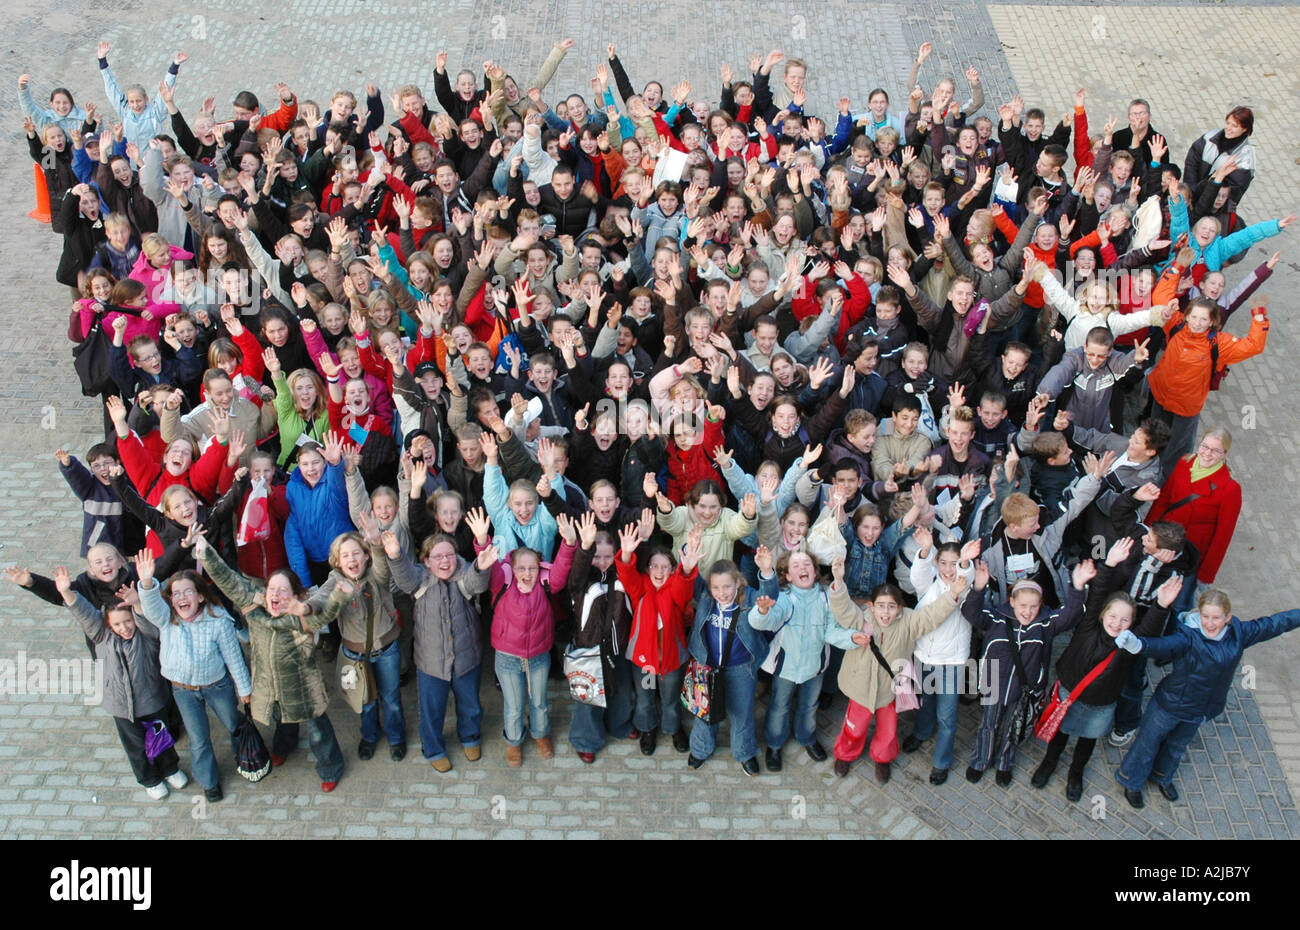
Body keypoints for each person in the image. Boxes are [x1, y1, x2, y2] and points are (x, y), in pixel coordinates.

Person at [1114, 590, 1300, 808]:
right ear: (1199, 614)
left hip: (1200, 708)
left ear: (1228, 617)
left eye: (1216, 618)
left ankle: (1161, 776)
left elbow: (1274, 624)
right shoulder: (1187, 636)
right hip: (1169, 705)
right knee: (1147, 743)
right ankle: (1132, 782)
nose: (1210, 623)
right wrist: (1139, 645)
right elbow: (1164, 645)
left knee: (1176, 746)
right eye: (1205, 616)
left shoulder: (1240, 633)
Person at [194, 531, 344, 792]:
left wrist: (341, 594)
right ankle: (285, 746)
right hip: (269, 685)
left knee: (319, 731)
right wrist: (205, 552)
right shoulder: (254, 608)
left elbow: (327, 612)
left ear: (296, 596)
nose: (276, 594)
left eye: (283, 590)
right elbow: (227, 579)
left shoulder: (303, 615)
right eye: (272, 589)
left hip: (303, 689)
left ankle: (331, 767)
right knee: (281, 720)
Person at [1032, 539, 1180, 802]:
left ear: (1132, 624)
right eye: (1113, 617)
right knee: (1061, 732)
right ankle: (1049, 763)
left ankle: (1076, 773)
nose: (1117, 623)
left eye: (1125, 620)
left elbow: (1150, 630)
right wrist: (1109, 564)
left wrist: (1160, 607)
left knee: (1087, 741)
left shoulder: (1130, 643)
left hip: (1100, 704)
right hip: (1070, 692)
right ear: (1102, 615)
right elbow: (1099, 591)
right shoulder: (1089, 624)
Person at [53, 565, 187, 800]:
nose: (123, 628)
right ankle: (149, 779)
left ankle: (170, 768)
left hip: (152, 699)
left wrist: (136, 603)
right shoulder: (101, 635)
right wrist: (67, 593)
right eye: (117, 624)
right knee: (135, 746)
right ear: (108, 625)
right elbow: (84, 612)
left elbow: (146, 619)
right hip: (120, 704)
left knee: (161, 738)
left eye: (127, 622)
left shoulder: (146, 634)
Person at [135, 548, 252, 803]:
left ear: (200, 597)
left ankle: (244, 756)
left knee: (234, 724)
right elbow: (152, 606)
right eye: (176, 594)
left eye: (188, 591)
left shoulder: (219, 620)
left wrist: (245, 690)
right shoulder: (167, 618)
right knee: (199, 739)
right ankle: (209, 782)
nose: (181, 598)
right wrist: (146, 582)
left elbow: (234, 658)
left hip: (217, 686)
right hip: (183, 691)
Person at [961, 558, 1092, 786]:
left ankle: (1004, 763)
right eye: (1022, 606)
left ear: (1041, 605)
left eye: (1033, 607)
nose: (1028, 612)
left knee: (1015, 727)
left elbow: (1072, 614)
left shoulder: (1046, 624)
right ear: (1011, 601)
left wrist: (1077, 587)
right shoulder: (996, 618)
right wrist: (978, 588)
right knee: (988, 725)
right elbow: (970, 611)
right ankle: (980, 760)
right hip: (995, 684)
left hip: (1026, 688)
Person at [382, 513, 494, 773]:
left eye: (449, 555)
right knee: (431, 710)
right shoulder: (420, 578)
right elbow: (404, 578)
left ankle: (471, 737)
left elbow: (477, 584)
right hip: (431, 662)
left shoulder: (465, 571)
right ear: (427, 561)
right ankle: (433, 748)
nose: (445, 561)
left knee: (470, 704)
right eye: (438, 557)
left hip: (467, 658)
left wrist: (482, 566)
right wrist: (396, 556)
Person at [750, 548, 862, 770]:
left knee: (809, 705)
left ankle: (807, 737)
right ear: (788, 576)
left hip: (815, 667)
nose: (803, 568)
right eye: (796, 565)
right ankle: (774, 744)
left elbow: (832, 632)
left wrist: (852, 638)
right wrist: (762, 612)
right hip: (786, 668)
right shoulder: (784, 598)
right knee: (779, 706)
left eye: (807, 564)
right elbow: (763, 622)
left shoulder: (825, 599)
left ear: (815, 571)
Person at [307, 515, 407, 762]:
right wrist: (305, 608)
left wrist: (375, 542)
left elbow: (383, 567)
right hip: (353, 654)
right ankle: (370, 735)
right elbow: (319, 599)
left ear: (365, 556)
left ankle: (396, 737)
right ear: (338, 562)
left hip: (386, 651)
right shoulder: (335, 581)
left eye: (356, 553)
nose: (352, 559)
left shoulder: (376, 575)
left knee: (391, 698)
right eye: (345, 556)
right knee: (364, 700)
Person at [684, 556, 779, 775]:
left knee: (741, 713)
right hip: (707, 665)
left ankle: (744, 752)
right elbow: (689, 580)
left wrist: (767, 572)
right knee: (704, 711)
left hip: (740, 668)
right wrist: (689, 561)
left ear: (737, 583)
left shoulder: (748, 599)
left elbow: (770, 597)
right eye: (716, 587)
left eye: (727, 586)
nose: (721, 592)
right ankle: (700, 749)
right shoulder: (707, 597)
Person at [618, 524, 701, 755]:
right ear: (647, 568)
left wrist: (686, 570)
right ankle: (647, 728)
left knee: (670, 699)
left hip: (671, 660)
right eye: (654, 565)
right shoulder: (641, 587)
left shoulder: (674, 587)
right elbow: (626, 574)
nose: (659, 570)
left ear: (672, 569)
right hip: (644, 661)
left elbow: (684, 589)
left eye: (665, 567)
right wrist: (626, 554)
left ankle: (673, 728)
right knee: (645, 699)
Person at [1146, 428, 1241, 613]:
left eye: (1215, 450)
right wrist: (1147, 529)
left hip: (1190, 556)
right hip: (1163, 541)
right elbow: (1164, 499)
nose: (1207, 453)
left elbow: (1223, 536)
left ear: (1225, 454)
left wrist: (1205, 574)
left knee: (1179, 605)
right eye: (1205, 446)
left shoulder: (1230, 489)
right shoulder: (1184, 463)